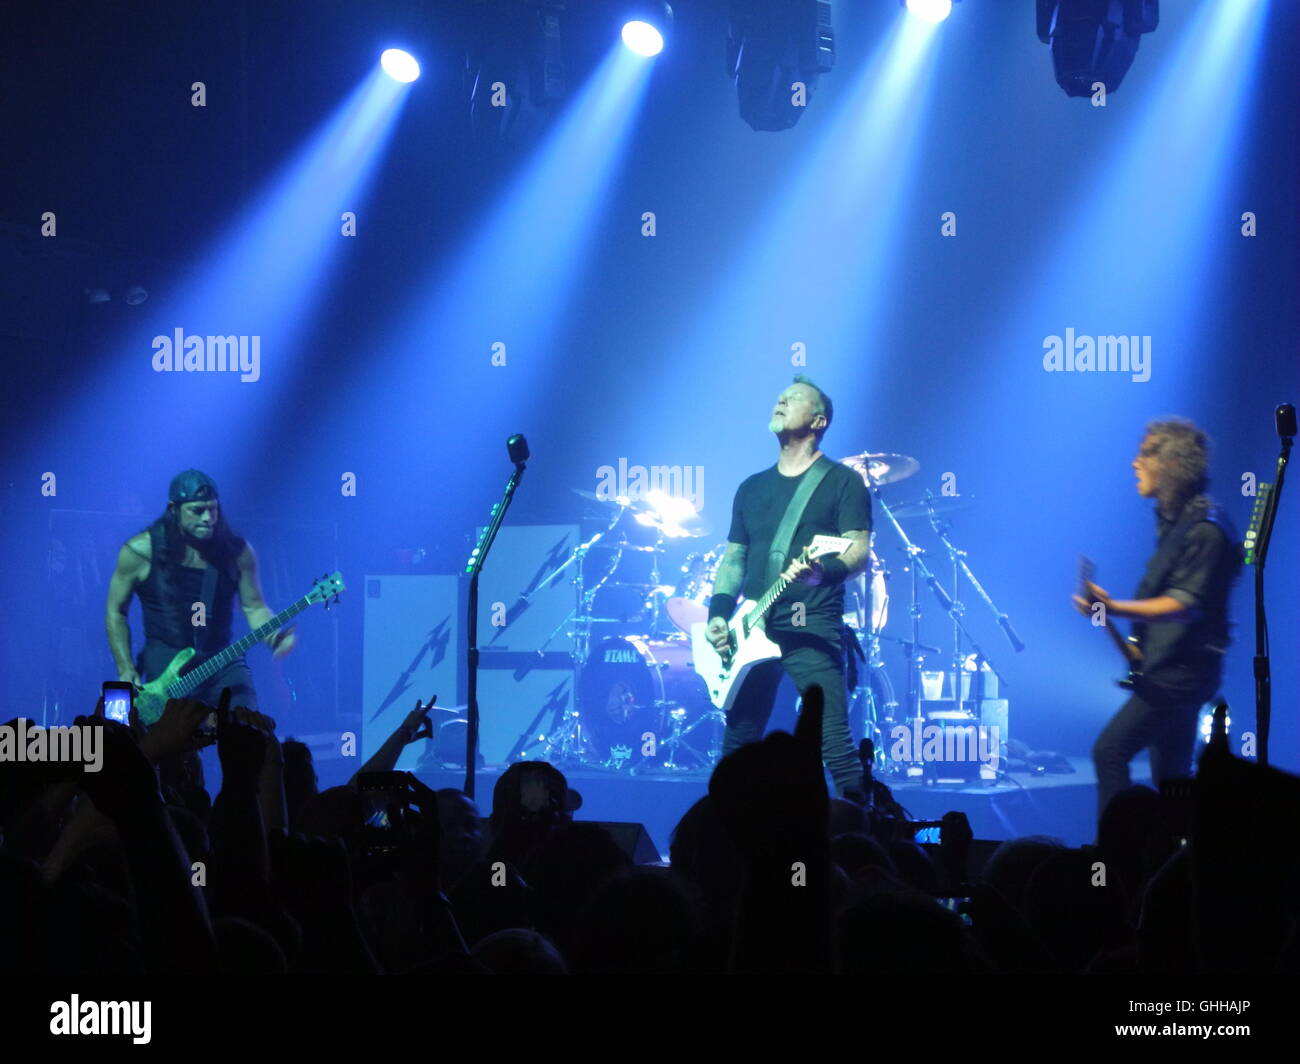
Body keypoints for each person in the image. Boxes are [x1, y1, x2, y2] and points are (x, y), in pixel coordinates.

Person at [705, 376, 873, 800]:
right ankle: (725, 837)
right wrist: (719, 615)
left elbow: (859, 552)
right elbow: (733, 560)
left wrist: (822, 573)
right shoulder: (751, 487)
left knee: (833, 740)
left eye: (794, 398)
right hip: (753, 626)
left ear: (818, 420)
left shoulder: (843, 482)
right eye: (779, 396)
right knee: (739, 742)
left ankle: (862, 839)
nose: (781, 400)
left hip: (811, 622)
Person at [1075, 418, 1241, 821]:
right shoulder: (1174, 526)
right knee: (1173, 786)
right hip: (1169, 673)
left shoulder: (1205, 530)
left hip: (1181, 679)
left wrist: (1115, 608)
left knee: (1109, 751)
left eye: (1144, 454)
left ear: (1171, 463)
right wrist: (1106, 617)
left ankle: (1116, 856)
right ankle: (1169, 867)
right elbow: (1141, 649)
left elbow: (1185, 605)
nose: (1135, 463)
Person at [105, 469, 296, 711]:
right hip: (165, 656)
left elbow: (254, 606)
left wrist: (273, 636)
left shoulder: (237, 552)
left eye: (213, 509)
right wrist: (125, 667)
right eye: (197, 510)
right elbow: (116, 611)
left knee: (249, 729)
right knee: (169, 742)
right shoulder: (141, 551)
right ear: (174, 509)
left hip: (221, 658)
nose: (208, 518)